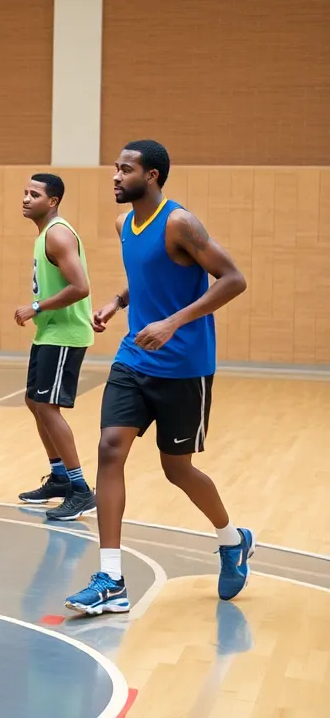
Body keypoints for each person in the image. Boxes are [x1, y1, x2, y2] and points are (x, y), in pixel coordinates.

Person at [65, 140, 253, 615]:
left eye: (124, 169)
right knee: (110, 450)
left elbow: (232, 279)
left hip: (184, 365)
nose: (115, 176)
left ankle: (232, 540)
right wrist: (119, 302)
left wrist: (173, 322)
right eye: (115, 167)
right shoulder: (124, 222)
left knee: (177, 469)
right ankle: (111, 577)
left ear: (150, 176)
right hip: (134, 359)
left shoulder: (180, 222)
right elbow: (149, 272)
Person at [13, 174, 96, 521]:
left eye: (35, 194)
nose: (26, 198)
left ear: (53, 201)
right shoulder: (45, 234)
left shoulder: (58, 234)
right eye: (25, 192)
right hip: (49, 334)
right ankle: (60, 477)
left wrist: (36, 307)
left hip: (64, 334)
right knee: (35, 402)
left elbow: (81, 287)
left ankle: (80, 489)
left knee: (48, 408)